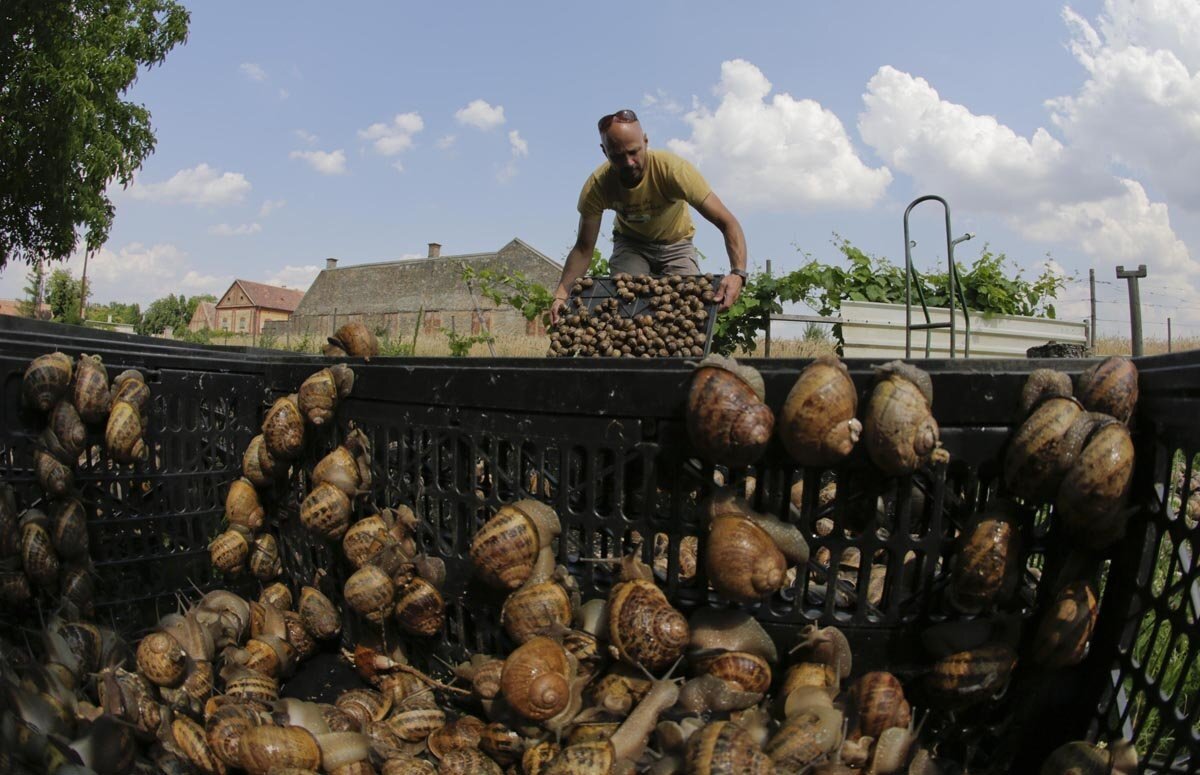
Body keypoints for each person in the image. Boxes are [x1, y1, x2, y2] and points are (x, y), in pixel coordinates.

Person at [549, 109, 748, 325]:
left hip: (676, 243)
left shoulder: (674, 171)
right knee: (625, 304)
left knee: (689, 307)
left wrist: (738, 274)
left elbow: (727, 222)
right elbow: (583, 248)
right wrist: (561, 294)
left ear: (645, 141)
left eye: (634, 151)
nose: (628, 162)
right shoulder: (597, 186)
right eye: (617, 156)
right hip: (632, 244)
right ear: (604, 152)